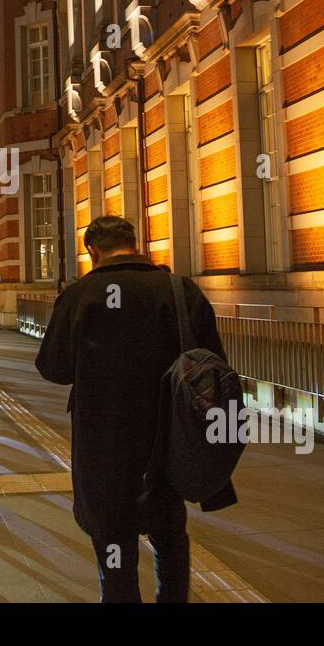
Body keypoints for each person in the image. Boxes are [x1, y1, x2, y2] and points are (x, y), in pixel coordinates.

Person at [36, 215, 227, 603]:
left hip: (102, 439)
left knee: (113, 538)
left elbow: (53, 367)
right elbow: (215, 363)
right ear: (134, 242)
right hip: (169, 436)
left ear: (92, 250)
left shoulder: (80, 295)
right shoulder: (179, 290)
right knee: (170, 532)